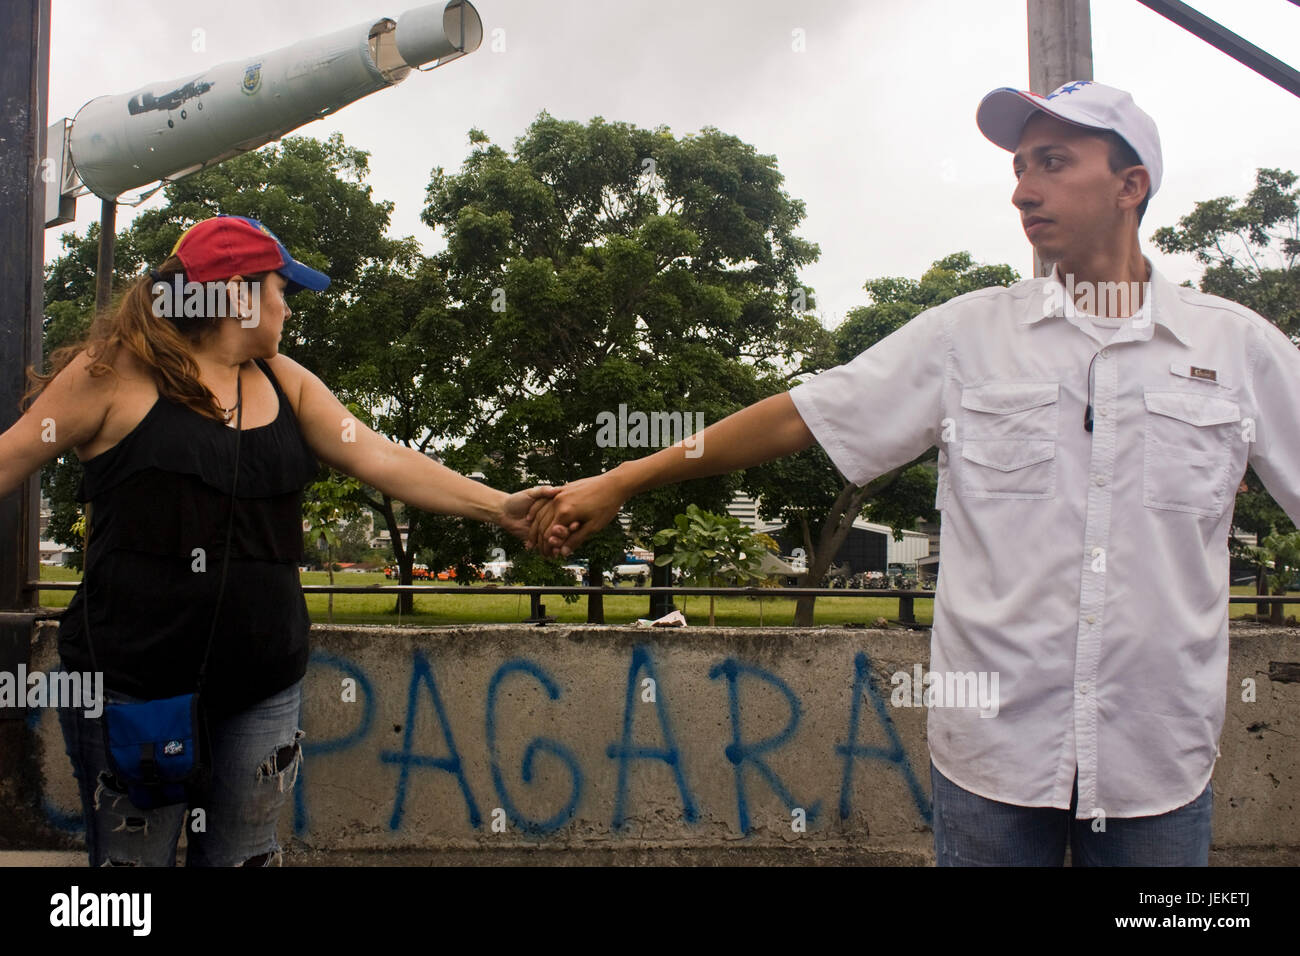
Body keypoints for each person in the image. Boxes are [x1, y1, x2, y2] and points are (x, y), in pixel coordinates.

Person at [528, 81, 1300, 865]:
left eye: (1054, 163)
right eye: (1020, 166)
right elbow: (804, 414)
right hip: (994, 758)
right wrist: (624, 478)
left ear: (1131, 185)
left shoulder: (1237, 349)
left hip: (1156, 760)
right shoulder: (969, 335)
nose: (1023, 189)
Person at [0, 214, 556, 866]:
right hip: (129, 688)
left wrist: (503, 507)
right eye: (279, 289)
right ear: (237, 295)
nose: (286, 307)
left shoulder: (284, 381)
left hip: (262, 690)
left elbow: (385, 461)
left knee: (244, 856)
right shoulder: (109, 377)